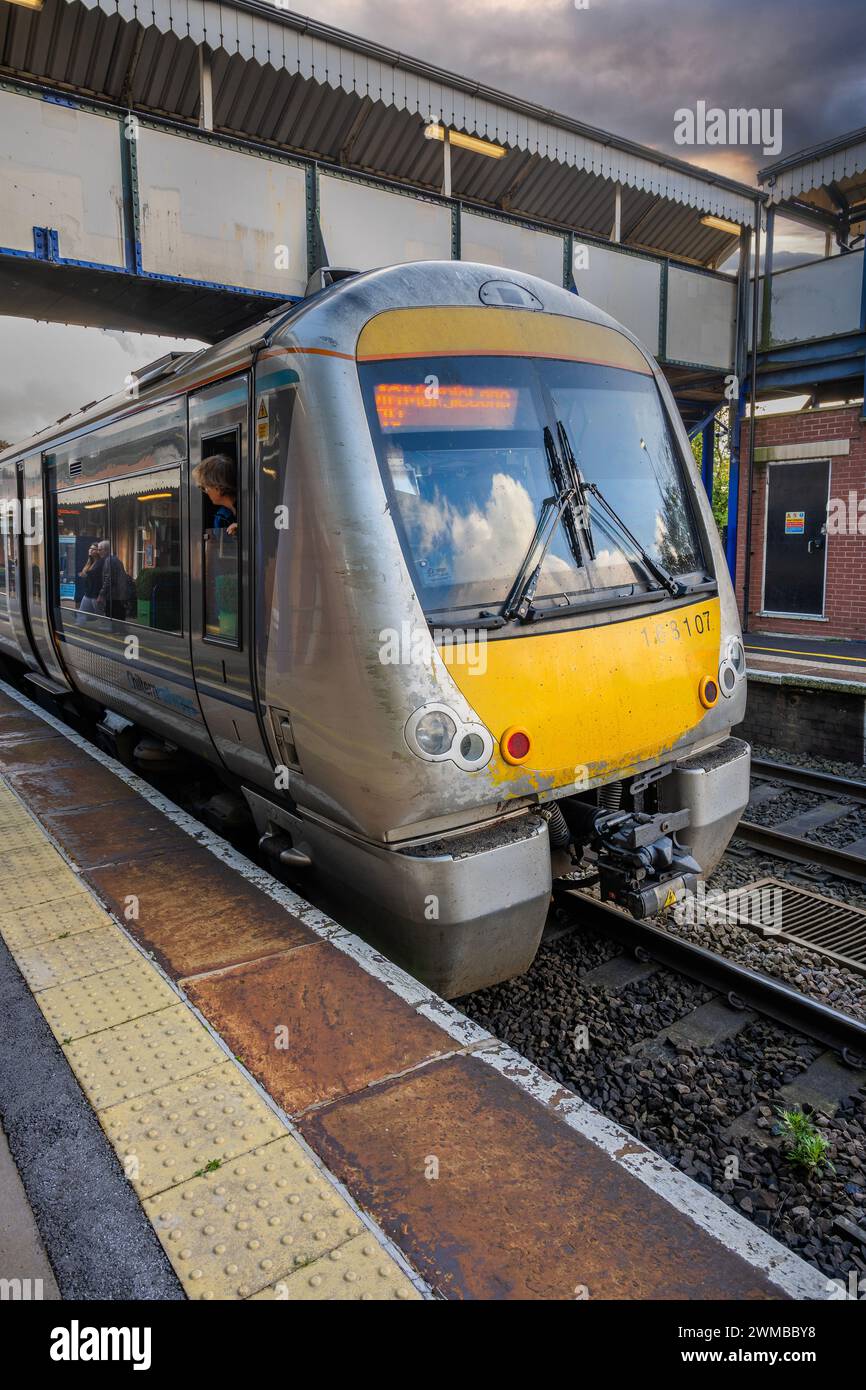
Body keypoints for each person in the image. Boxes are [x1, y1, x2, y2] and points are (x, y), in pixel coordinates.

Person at [191, 453, 237, 535]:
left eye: (205, 487)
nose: (205, 492)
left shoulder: (254, 508)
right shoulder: (221, 515)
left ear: (218, 487)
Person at [96, 539, 132, 621]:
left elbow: (108, 579)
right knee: (119, 617)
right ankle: (120, 631)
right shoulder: (114, 559)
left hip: (114, 595)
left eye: (100, 550)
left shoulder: (109, 561)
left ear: (106, 550)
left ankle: (118, 632)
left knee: (114, 618)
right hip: (118, 594)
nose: (98, 552)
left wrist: (101, 594)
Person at [76, 542, 104, 623]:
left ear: (98, 551)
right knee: (82, 612)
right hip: (88, 592)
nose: (90, 550)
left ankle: (109, 626)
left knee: (100, 613)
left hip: (96, 593)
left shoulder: (100, 562)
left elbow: (96, 576)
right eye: (90, 548)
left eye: (93, 549)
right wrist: (83, 575)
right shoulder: (90, 562)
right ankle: (79, 624)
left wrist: (86, 575)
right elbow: (87, 574)